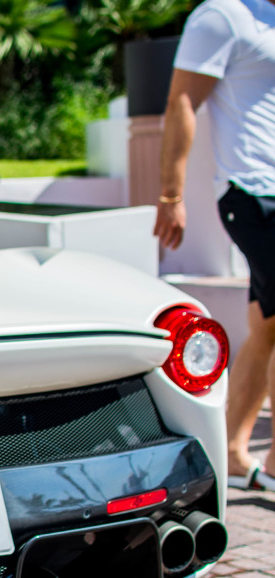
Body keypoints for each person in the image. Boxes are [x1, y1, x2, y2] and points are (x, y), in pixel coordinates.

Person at [154, 0, 275, 491]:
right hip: (254, 191)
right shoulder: (223, 15)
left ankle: (232, 454)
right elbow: (182, 101)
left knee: (265, 326)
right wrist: (171, 195)